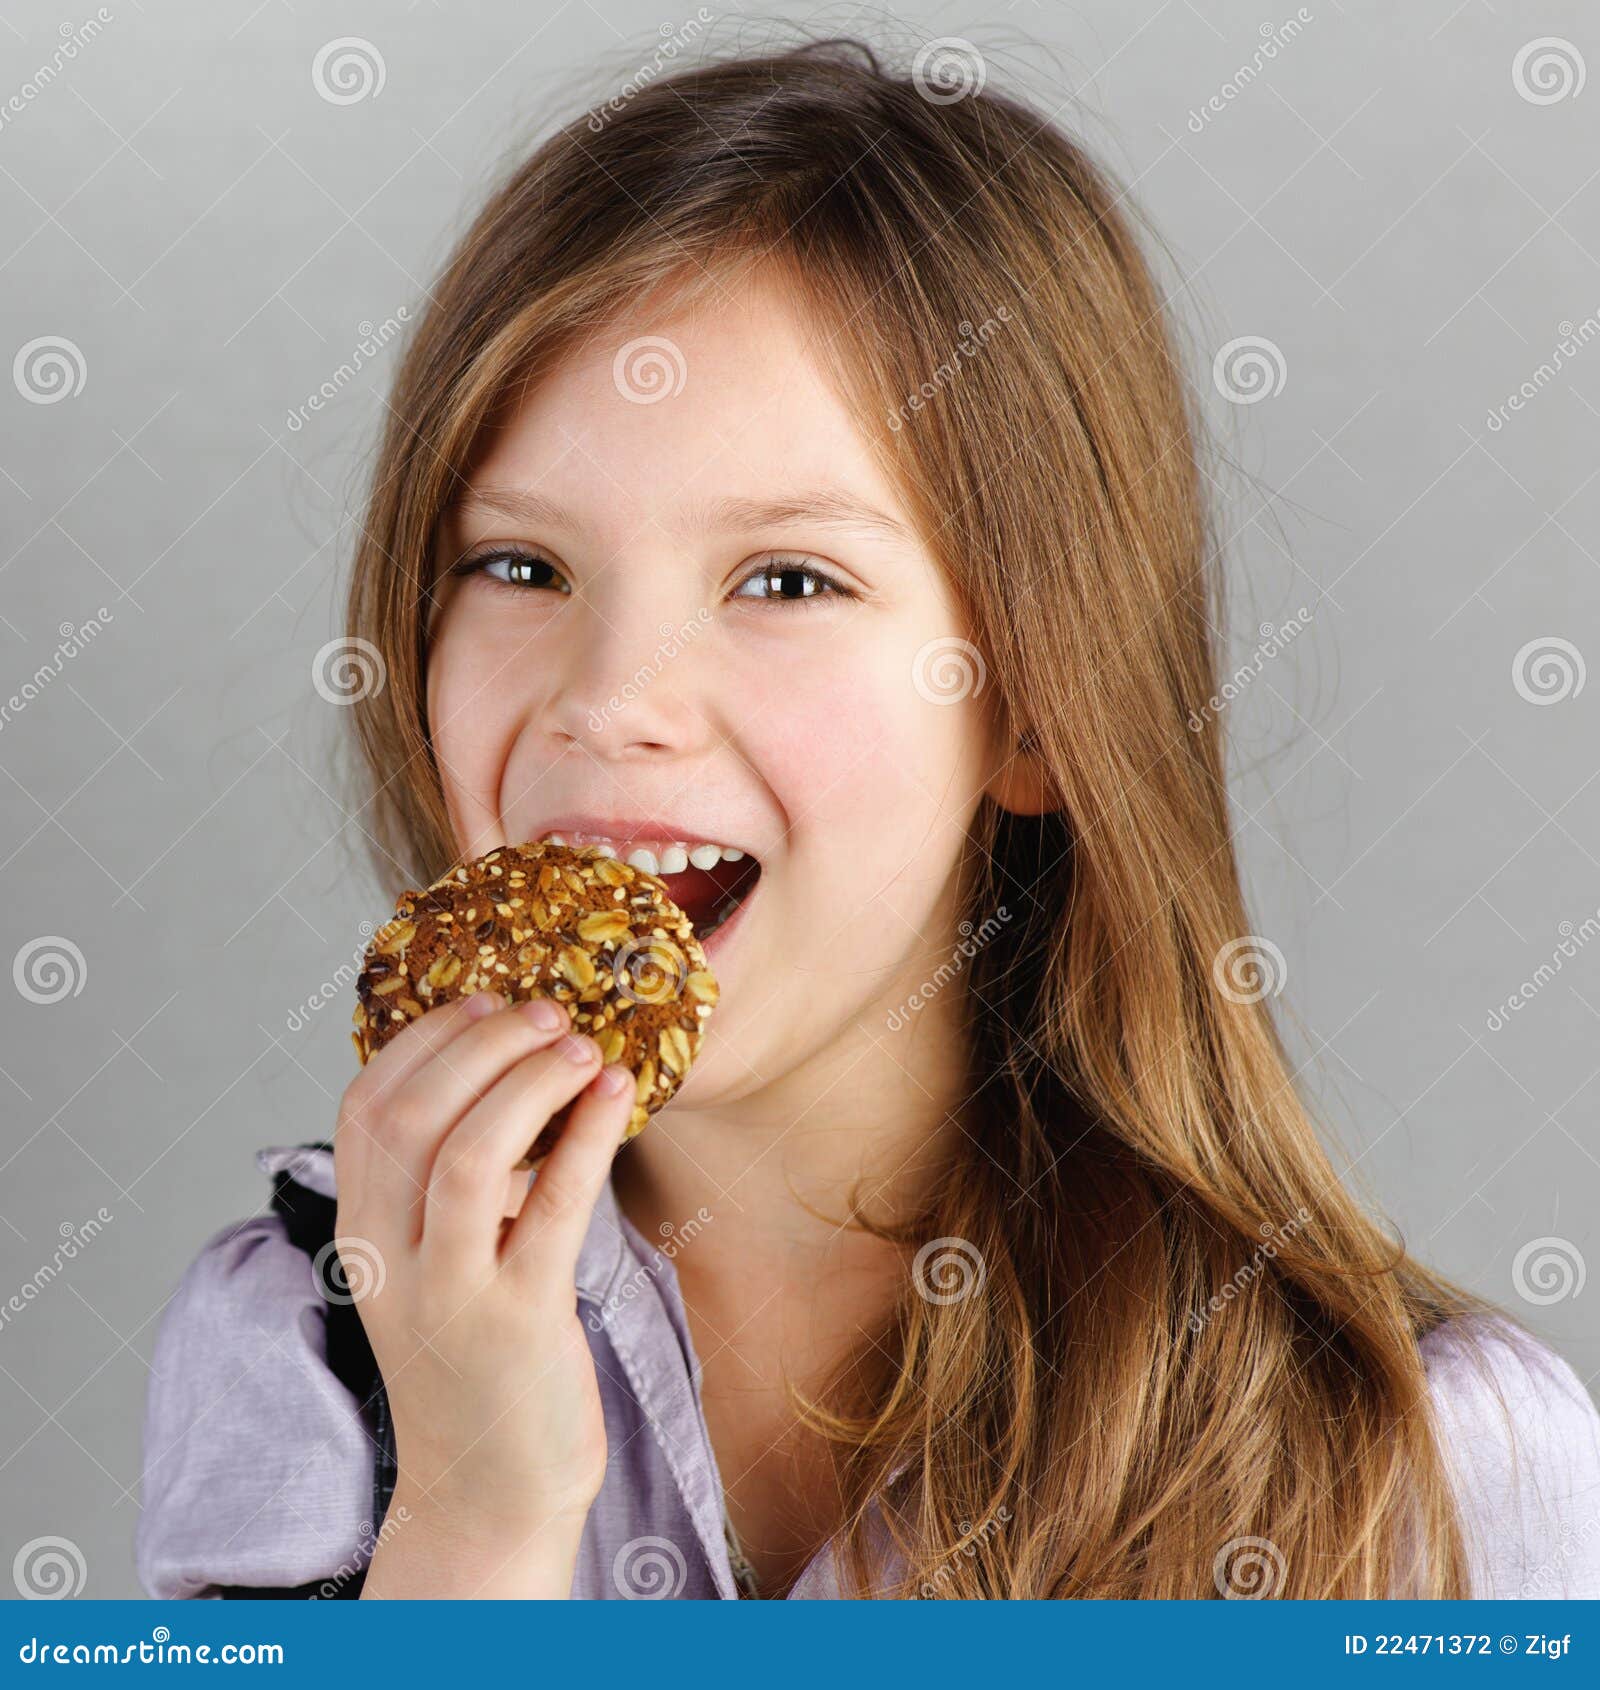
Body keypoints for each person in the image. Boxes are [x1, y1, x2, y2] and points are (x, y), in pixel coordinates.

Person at [135, 35, 1600, 1600]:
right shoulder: (304, 1346)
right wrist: (477, 1518)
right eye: (521, 565)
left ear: (1035, 704)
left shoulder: (1428, 1470)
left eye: (786, 580)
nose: (609, 696)